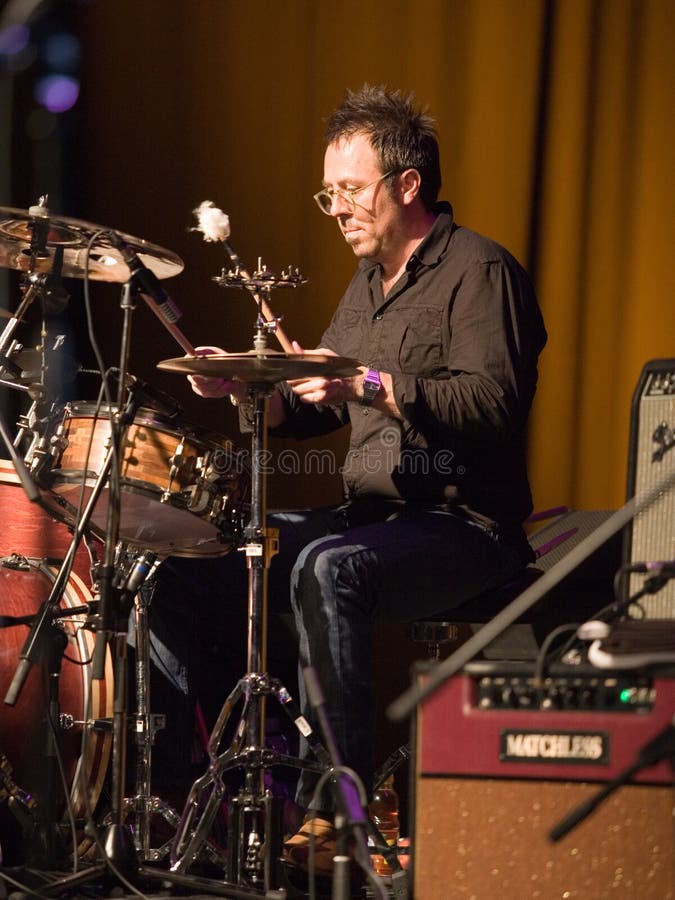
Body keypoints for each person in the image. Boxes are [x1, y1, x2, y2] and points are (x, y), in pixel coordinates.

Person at [148, 83, 547, 871]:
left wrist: (362, 381)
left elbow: (490, 404)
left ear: (407, 184)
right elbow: (313, 409)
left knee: (330, 568)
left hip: (464, 526)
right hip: (370, 519)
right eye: (327, 193)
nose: (336, 208)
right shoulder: (367, 284)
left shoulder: (479, 270)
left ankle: (337, 814)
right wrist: (247, 391)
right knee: (187, 562)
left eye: (350, 190)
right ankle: (184, 802)